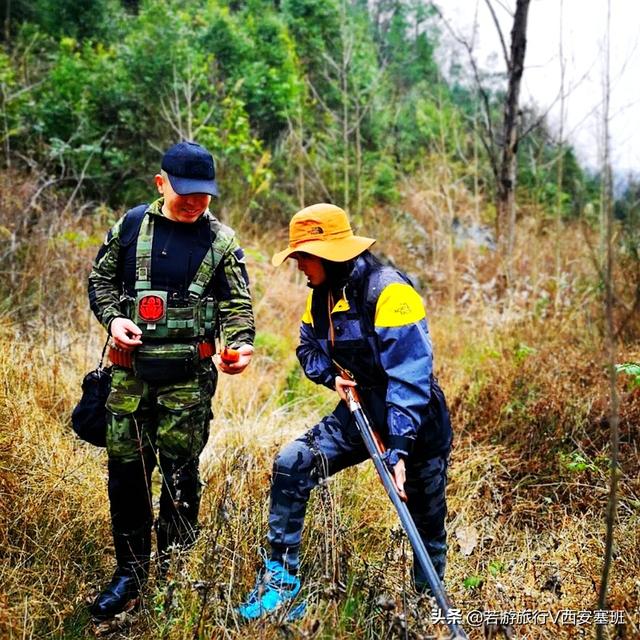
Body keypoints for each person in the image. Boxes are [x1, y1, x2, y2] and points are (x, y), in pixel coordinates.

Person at [238, 203, 452, 620]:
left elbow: (411, 378)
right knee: (292, 463)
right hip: (357, 414)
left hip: (416, 422)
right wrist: (331, 377)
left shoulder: (390, 292)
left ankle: (427, 612)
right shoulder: (320, 298)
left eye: (304, 256)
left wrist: (401, 448)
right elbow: (307, 346)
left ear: (330, 253)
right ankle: (280, 585)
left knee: (425, 526)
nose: (299, 265)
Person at [87, 141, 255, 620]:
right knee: (126, 475)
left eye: (204, 195)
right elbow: (100, 282)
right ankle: (131, 574)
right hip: (129, 377)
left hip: (188, 380)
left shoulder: (221, 242)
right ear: (161, 183)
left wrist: (241, 346)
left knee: (180, 476)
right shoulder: (131, 226)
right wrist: (114, 319)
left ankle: (178, 573)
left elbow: (237, 307)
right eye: (186, 194)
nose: (195, 203)